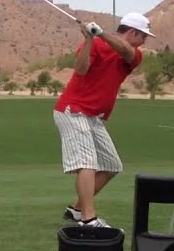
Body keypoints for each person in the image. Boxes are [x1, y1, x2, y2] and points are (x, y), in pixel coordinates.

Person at [54, 12, 154, 228]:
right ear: (132, 32)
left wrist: (101, 33)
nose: (144, 41)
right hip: (73, 110)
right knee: (87, 163)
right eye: (143, 36)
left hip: (93, 117)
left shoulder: (134, 54)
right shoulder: (96, 45)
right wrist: (90, 39)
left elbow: (126, 50)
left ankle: (77, 209)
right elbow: (80, 70)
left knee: (111, 165)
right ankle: (89, 218)